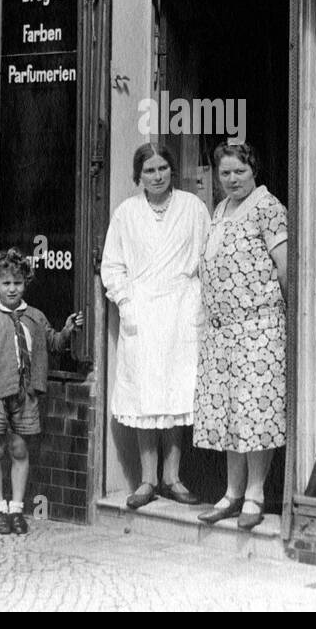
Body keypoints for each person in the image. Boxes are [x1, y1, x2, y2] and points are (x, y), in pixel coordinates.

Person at [101, 143, 210, 509]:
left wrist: (198, 301)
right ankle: (147, 480)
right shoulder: (126, 213)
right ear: (138, 176)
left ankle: (172, 477)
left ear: (172, 170)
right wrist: (126, 303)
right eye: (149, 170)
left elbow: (208, 258)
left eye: (163, 168)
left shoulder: (193, 208)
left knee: (177, 392)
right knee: (146, 394)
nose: (157, 175)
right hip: (142, 312)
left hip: (181, 310)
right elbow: (112, 265)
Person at [194, 143, 287, 530]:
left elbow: (286, 270)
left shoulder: (269, 209)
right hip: (222, 334)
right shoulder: (220, 211)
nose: (232, 180)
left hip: (258, 330)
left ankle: (255, 494)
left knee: (255, 413)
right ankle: (231, 493)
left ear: (254, 171)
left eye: (240, 172)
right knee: (229, 414)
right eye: (226, 173)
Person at [0, 248, 82, 536]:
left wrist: (67, 331)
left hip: (26, 395)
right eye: (6, 283)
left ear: (25, 284)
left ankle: (17, 508)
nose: (12, 289)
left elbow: (54, 344)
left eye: (17, 283)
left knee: (19, 449)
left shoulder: (35, 317)